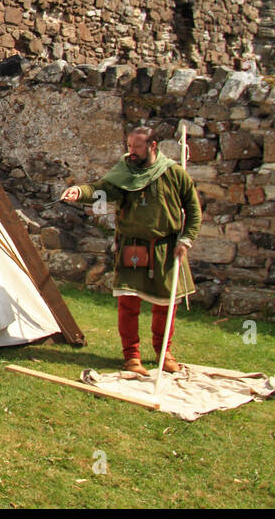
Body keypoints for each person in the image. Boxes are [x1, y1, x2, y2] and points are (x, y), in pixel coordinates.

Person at [60, 125, 201, 375]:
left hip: (166, 248)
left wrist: (186, 240)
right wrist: (79, 191)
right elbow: (100, 190)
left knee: (165, 306)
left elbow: (193, 209)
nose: (131, 151)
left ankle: (163, 352)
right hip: (132, 246)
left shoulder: (175, 174)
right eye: (129, 146)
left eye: (137, 147)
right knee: (128, 304)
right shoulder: (124, 173)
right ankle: (132, 357)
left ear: (152, 146)